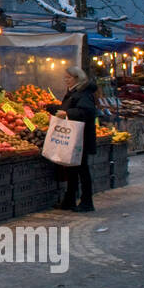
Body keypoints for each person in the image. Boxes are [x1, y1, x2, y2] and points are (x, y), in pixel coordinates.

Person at [45, 66, 98, 212]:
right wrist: (50, 107)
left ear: (76, 78)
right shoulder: (75, 92)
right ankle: (69, 201)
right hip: (74, 137)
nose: (65, 80)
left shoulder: (84, 92)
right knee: (72, 170)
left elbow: (86, 111)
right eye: (65, 77)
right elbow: (69, 107)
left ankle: (87, 202)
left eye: (68, 78)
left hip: (81, 137)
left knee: (82, 170)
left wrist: (67, 113)